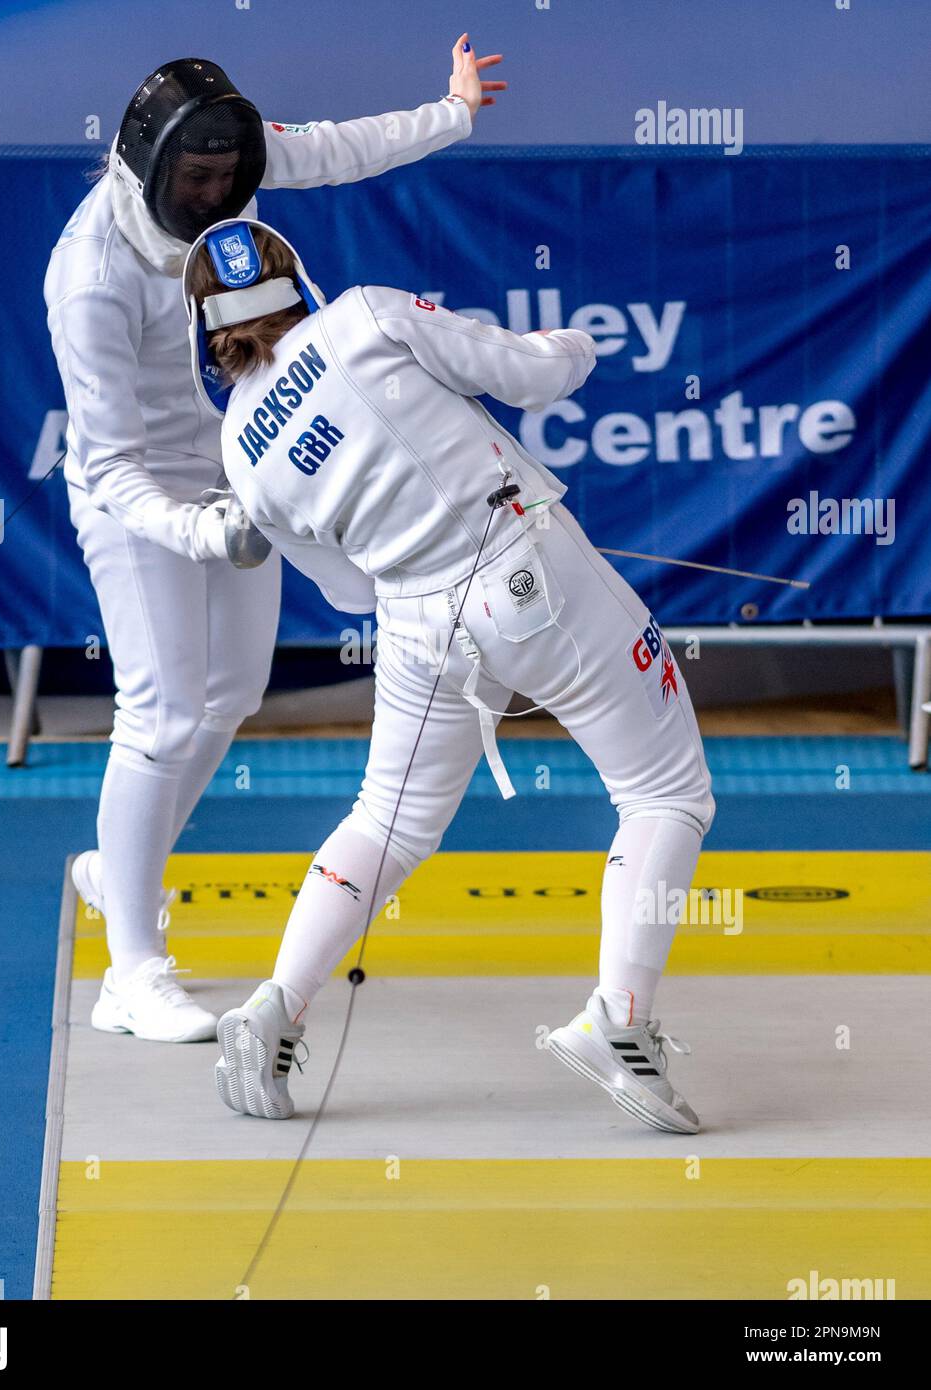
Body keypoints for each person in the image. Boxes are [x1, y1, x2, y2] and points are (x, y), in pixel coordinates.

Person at [181, 219, 716, 1134]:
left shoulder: (239, 450)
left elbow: (347, 589)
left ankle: (274, 1008)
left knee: (385, 821)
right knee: (665, 793)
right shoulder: (362, 316)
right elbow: (532, 374)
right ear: (291, 279)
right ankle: (618, 1024)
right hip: (528, 572)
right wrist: (576, 345)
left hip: (416, 621)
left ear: (204, 329)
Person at [43, 40, 506, 1044]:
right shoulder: (90, 278)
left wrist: (453, 111)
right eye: (197, 179)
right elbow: (112, 463)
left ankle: (117, 870)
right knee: (161, 710)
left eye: (229, 177)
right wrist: (199, 529)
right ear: (144, 169)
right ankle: (132, 966)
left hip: (229, 467)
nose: (217, 196)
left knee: (231, 697)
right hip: (136, 500)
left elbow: (342, 148)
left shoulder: (232, 168)